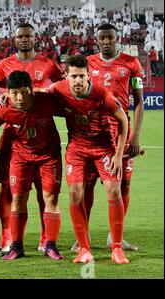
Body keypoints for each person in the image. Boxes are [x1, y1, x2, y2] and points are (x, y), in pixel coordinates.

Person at [48, 54, 130, 264]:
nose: (77, 81)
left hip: (103, 147)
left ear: (88, 76)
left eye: (81, 76)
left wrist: (119, 155)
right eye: (73, 76)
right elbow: (39, 96)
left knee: (113, 190)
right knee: (75, 195)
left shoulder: (102, 94)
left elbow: (122, 120)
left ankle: (117, 248)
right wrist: (9, 97)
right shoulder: (58, 89)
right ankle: (84, 248)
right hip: (76, 148)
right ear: (66, 75)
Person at [0, 23, 64, 253]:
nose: (24, 39)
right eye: (20, 36)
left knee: (46, 189)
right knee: (7, 187)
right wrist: (2, 97)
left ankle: (45, 237)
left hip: (41, 126)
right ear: (14, 39)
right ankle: (7, 236)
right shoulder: (4, 65)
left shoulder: (48, 64)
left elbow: (61, 86)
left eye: (28, 36)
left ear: (35, 38)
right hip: (13, 132)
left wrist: (44, 92)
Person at [75, 23, 145, 252]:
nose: (106, 42)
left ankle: (115, 236)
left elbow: (139, 101)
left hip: (122, 131)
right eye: (102, 38)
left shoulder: (132, 63)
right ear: (97, 40)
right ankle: (82, 237)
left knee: (123, 185)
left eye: (110, 38)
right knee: (88, 184)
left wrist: (135, 135)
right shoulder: (88, 63)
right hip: (96, 131)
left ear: (117, 39)